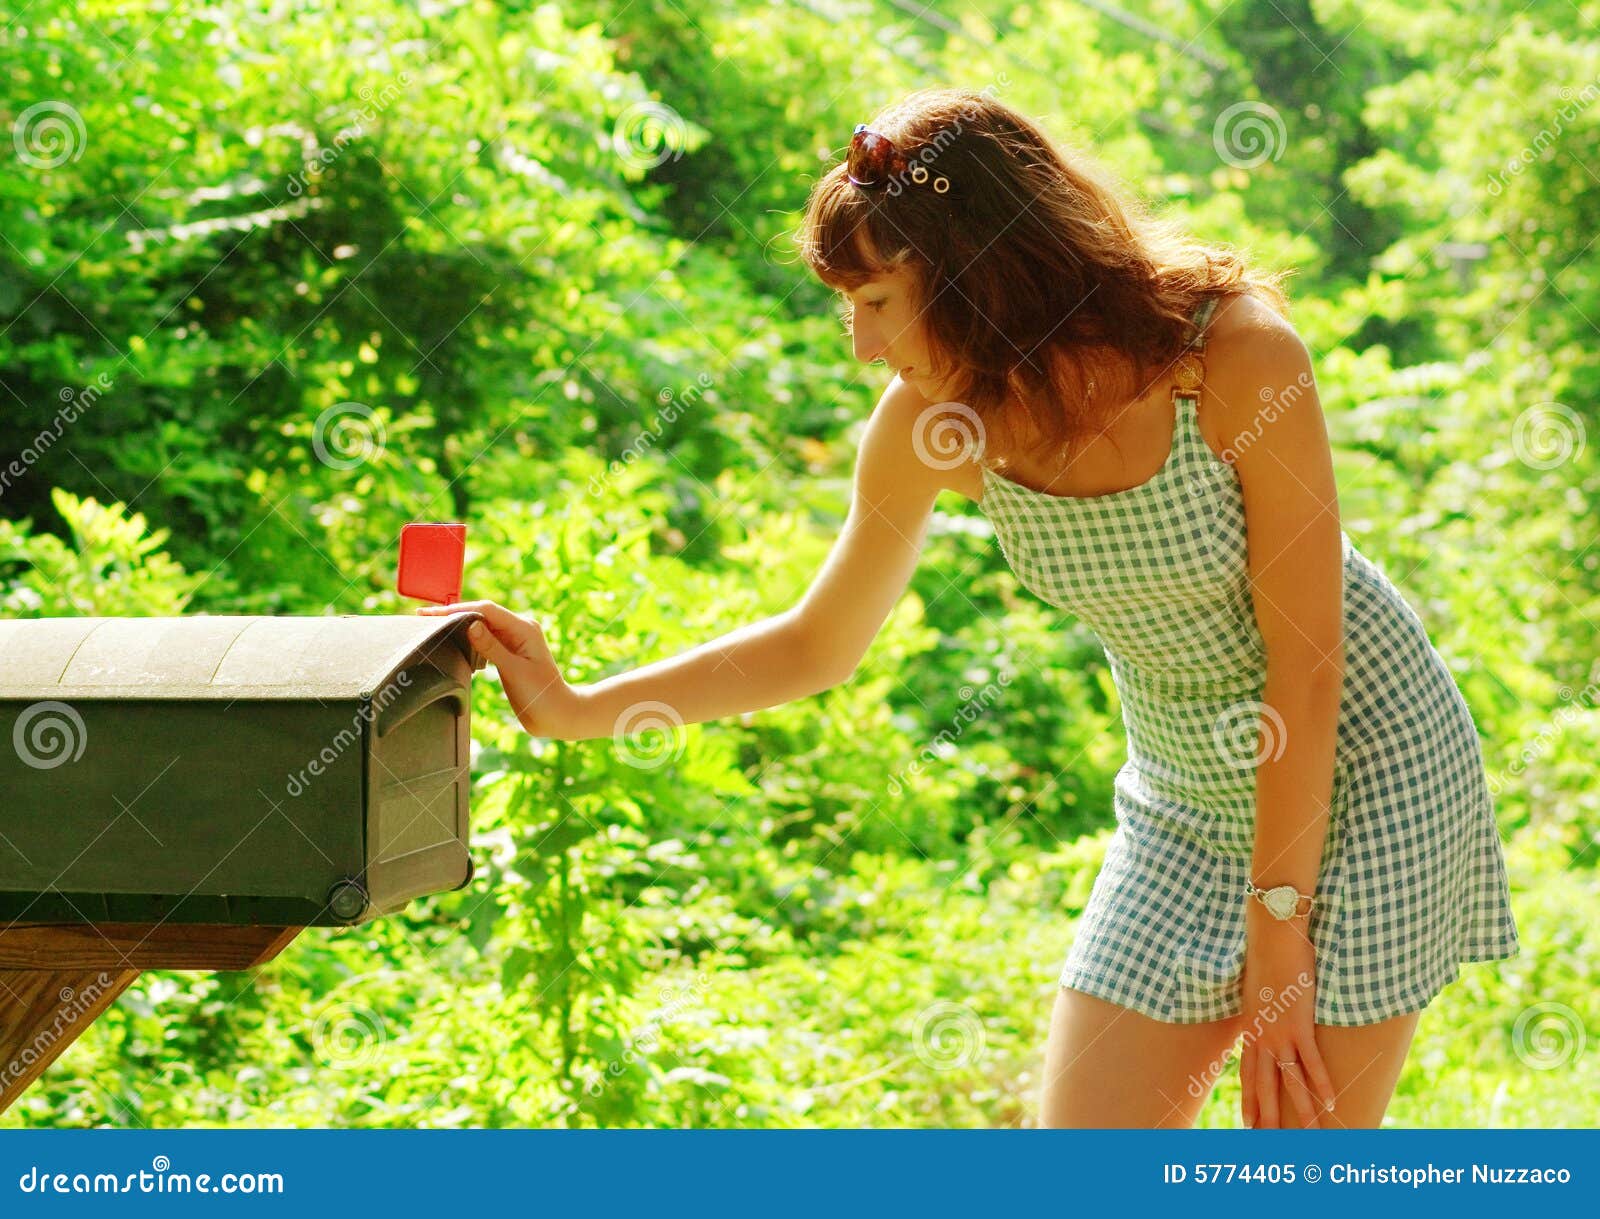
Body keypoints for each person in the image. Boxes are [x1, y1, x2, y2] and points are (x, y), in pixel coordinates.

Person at [420, 87, 1519, 1131]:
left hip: (1363, 773)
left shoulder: (1226, 357)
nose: (859, 344)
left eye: (877, 302)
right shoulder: (930, 426)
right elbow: (818, 641)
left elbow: (1308, 665)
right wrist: (575, 706)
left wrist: (1279, 935)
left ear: (979, 274)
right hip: (1184, 797)